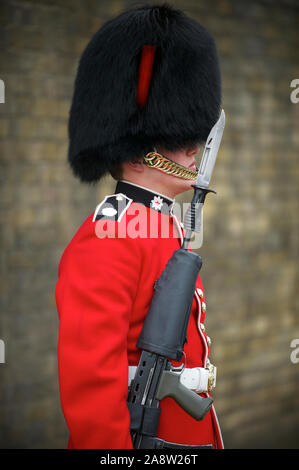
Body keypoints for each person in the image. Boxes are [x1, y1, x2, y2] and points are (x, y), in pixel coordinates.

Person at [55, 4, 224, 449]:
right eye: (179, 137)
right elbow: (92, 385)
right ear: (137, 150)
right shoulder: (111, 235)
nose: (194, 150)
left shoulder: (161, 226)